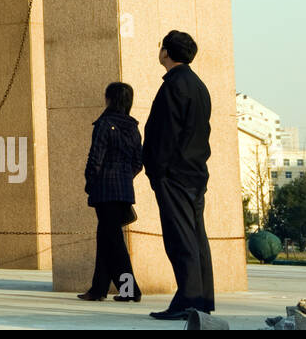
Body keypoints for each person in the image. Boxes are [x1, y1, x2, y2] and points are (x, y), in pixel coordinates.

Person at [143, 30, 214, 320]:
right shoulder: (199, 86)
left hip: (175, 174)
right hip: (196, 172)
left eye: (161, 47)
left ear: (167, 53)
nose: (159, 51)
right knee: (197, 239)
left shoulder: (174, 85)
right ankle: (201, 301)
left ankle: (187, 301)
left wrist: (157, 170)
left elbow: (165, 133)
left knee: (180, 239)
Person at [78, 82, 143, 301]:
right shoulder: (133, 127)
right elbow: (138, 163)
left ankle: (129, 290)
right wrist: (124, 177)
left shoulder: (105, 124)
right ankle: (98, 289)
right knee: (106, 237)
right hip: (123, 190)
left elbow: (95, 158)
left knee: (113, 240)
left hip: (105, 190)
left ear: (109, 99)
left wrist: (91, 181)